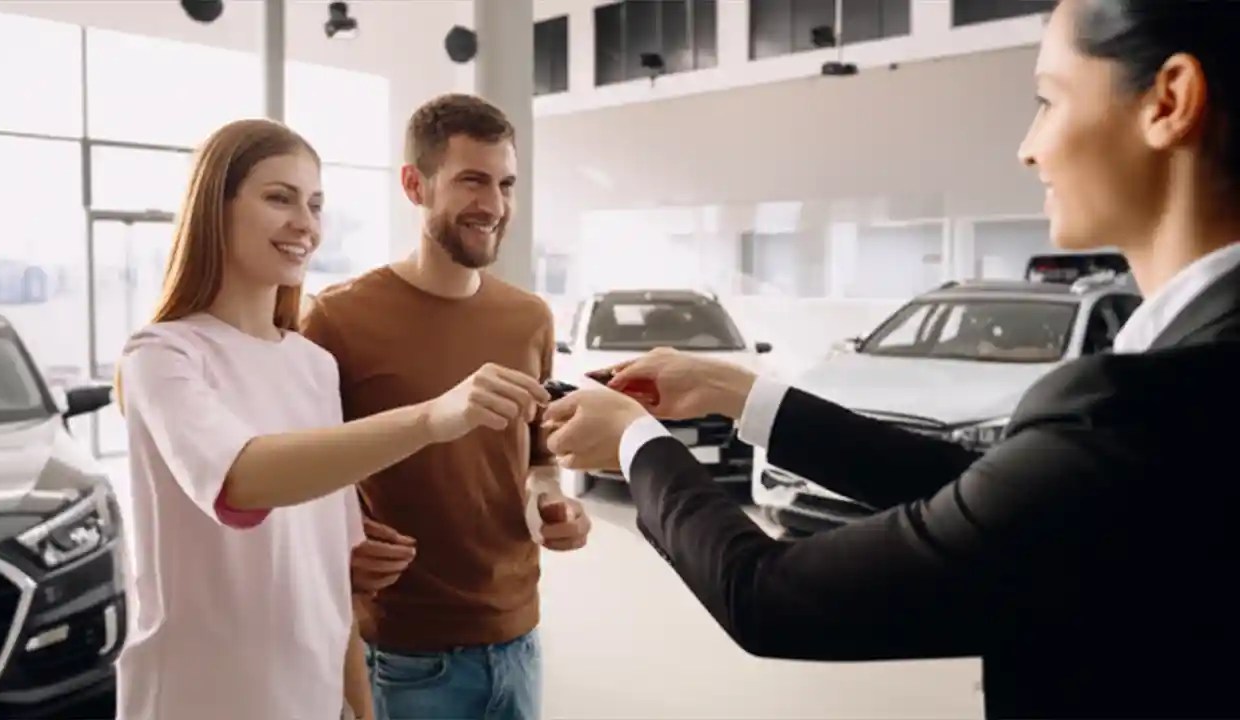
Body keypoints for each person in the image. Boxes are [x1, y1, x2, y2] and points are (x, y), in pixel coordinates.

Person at [542, 1, 1240, 717]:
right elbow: (982, 493)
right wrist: (736, 390)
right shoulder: (1186, 377)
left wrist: (634, 439)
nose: (1028, 148)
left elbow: (766, 594)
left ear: (1169, 101)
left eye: (1047, 100)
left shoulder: (1137, 411)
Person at [114, 118, 550, 720]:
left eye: (315, 204)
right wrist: (429, 418)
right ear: (215, 207)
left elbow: (331, 579)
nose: (306, 224)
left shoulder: (314, 366)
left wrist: (359, 705)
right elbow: (241, 478)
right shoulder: (162, 356)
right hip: (199, 699)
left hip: (311, 699)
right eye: (279, 198)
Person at [301, 93, 592, 720]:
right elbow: (301, 475)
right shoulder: (336, 319)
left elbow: (538, 460)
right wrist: (341, 537)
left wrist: (551, 504)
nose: (494, 204)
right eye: (472, 181)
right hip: (405, 654)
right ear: (415, 184)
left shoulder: (529, 318)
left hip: (520, 639)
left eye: (505, 183)